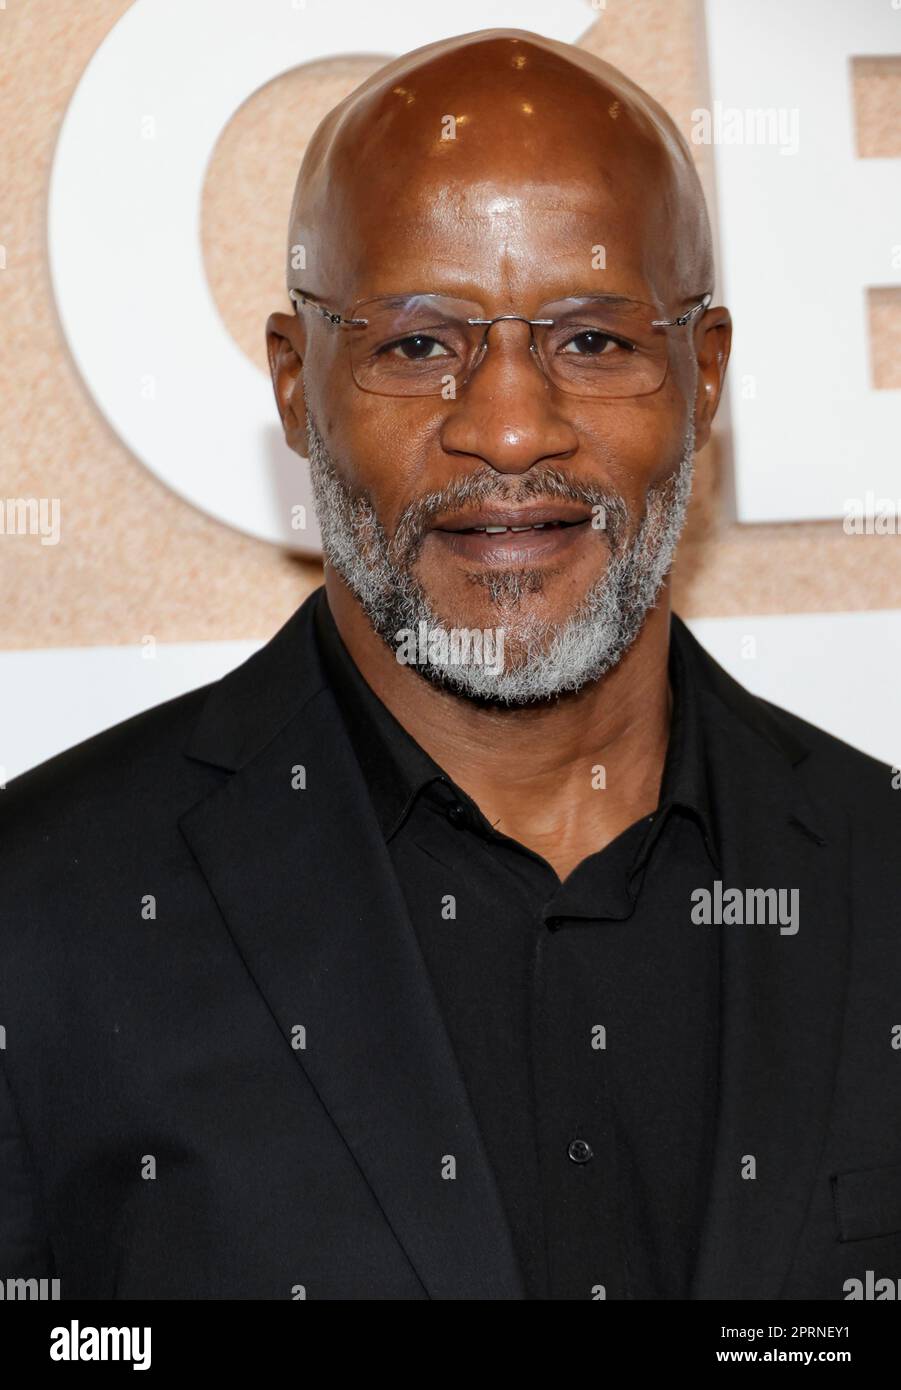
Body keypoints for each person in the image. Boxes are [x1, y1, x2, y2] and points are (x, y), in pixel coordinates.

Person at [2, 29, 899, 1301]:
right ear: (298, 387)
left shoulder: (880, 872)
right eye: (418, 344)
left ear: (702, 378)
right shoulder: (39, 919)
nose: (511, 426)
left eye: (593, 341)